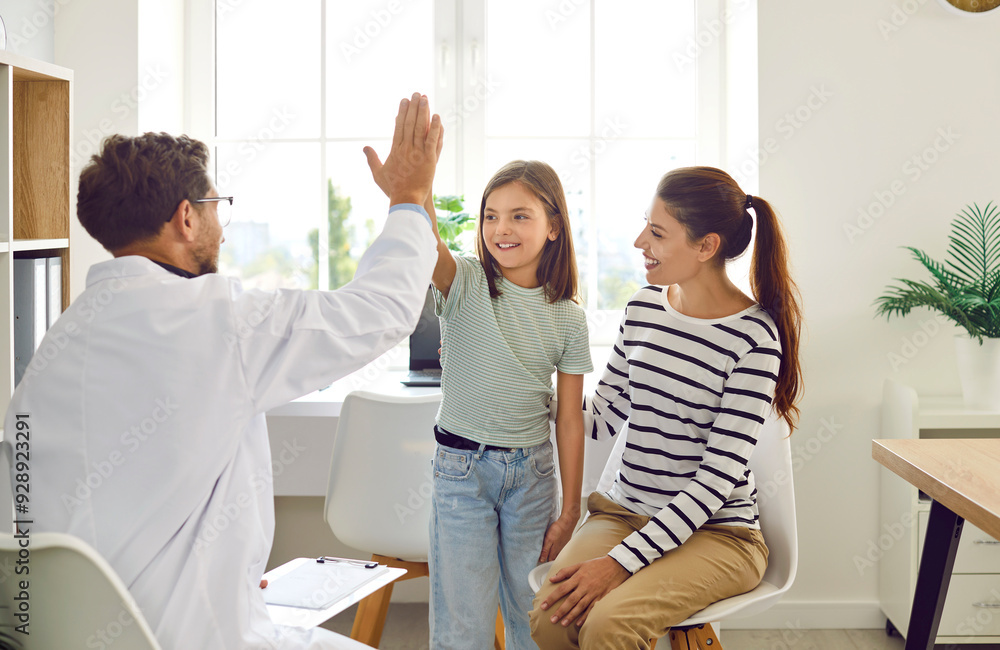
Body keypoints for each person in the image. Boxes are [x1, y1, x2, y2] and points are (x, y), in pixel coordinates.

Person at [3, 93, 442, 649]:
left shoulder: (55, 347)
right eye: (216, 205)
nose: (224, 228)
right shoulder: (223, 320)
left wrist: (224, 566)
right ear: (186, 217)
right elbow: (378, 313)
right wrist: (408, 199)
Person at [529, 166, 803, 649]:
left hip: (720, 535)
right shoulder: (644, 308)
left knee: (609, 624)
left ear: (706, 246)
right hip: (623, 513)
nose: (640, 242)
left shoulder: (753, 339)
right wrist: (521, 377)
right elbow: (601, 418)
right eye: (645, 226)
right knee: (553, 615)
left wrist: (617, 564)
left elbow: (715, 482)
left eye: (657, 233)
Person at [362, 157, 592, 649]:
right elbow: (431, 243)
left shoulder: (569, 317)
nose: (500, 228)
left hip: (531, 480)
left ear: (554, 227)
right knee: (462, 626)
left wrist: (570, 510)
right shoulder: (463, 281)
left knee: (533, 621)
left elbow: (569, 421)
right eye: (491, 215)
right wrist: (413, 189)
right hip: (461, 474)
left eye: (519, 215)